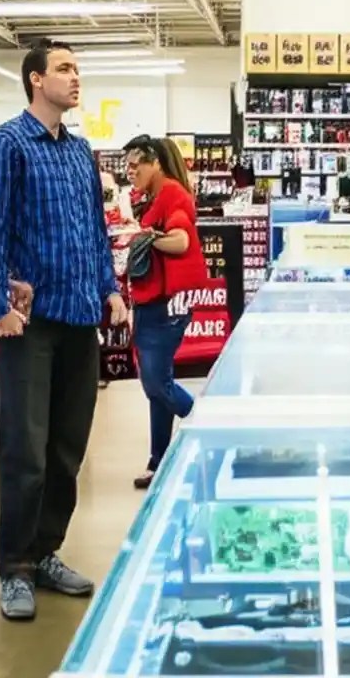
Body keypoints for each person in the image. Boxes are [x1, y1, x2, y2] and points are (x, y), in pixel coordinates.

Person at [0, 38, 127, 621]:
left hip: (79, 319)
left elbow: (94, 233)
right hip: (29, 327)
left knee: (67, 451)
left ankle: (45, 554)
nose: (75, 78)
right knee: (26, 452)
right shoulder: (5, 147)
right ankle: (14, 566)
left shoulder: (80, 152)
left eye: (76, 68)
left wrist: (111, 289)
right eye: (64, 68)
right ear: (36, 79)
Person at [122, 135, 208, 490]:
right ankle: (159, 462)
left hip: (165, 303)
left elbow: (182, 240)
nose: (130, 171)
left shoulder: (172, 194)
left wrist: (145, 237)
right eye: (126, 165)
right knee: (156, 386)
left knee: (156, 382)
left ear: (155, 161)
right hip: (153, 301)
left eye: (135, 164)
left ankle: (207, 423)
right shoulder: (155, 197)